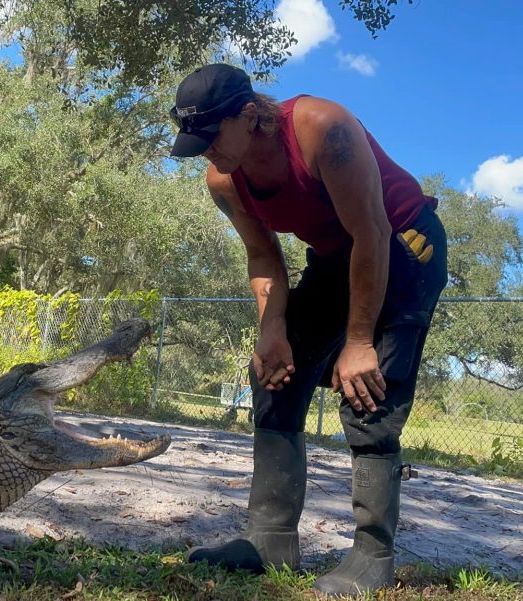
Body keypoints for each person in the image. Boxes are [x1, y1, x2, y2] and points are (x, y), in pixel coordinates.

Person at [169, 63, 448, 597]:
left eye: (209, 137)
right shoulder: (222, 180)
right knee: (274, 373)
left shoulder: (325, 128)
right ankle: (270, 537)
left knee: (368, 390)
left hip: (403, 247)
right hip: (336, 256)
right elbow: (263, 254)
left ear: (250, 115)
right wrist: (271, 329)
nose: (204, 151)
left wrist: (360, 341)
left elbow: (372, 232)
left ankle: (372, 556)